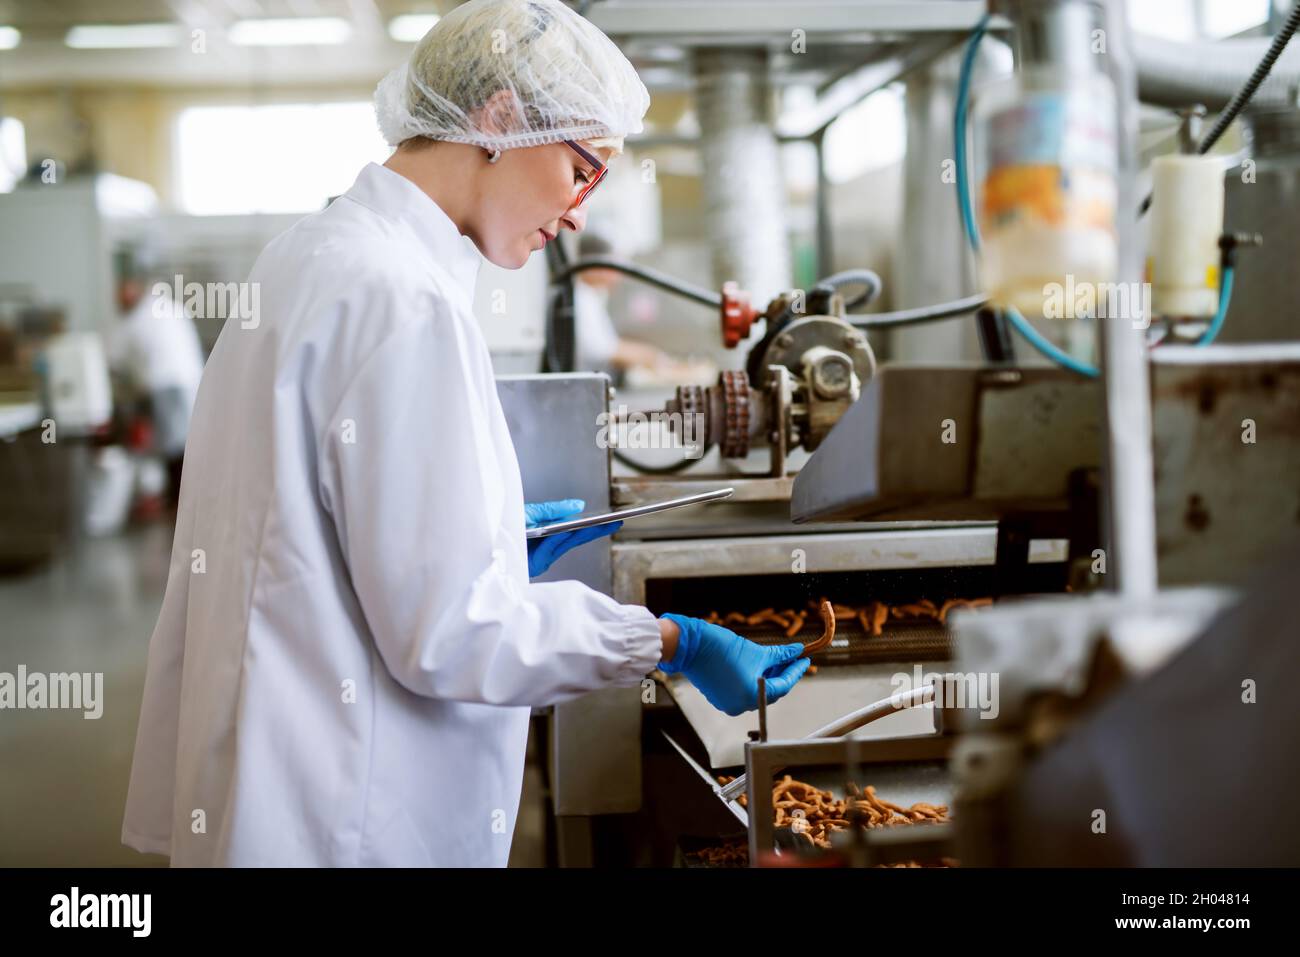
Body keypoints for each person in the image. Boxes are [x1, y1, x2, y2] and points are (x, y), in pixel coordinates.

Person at [121, 0, 809, 868]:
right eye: (582, 169)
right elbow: (453, 635)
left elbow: (296, 536)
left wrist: (482, 541)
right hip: (349, 818)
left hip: (276, 793)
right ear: (500, 119)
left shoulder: (308, 256)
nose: (578, 218)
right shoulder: (404, 302)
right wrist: (670, 640)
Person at [108, 267, 205, 503]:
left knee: (173, 446)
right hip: (189, 381)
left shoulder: (137, 318)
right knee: (182, 441)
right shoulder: (168, 308)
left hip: (165, 384)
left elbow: (115, 360)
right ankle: (179, 498)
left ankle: (177, 499)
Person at [571, 233, 681, 377]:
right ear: (594, 264)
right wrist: (651, 356)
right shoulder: (580, 297)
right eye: (612, 266)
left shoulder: (591, 296)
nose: (617, 275)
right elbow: (603, 350)